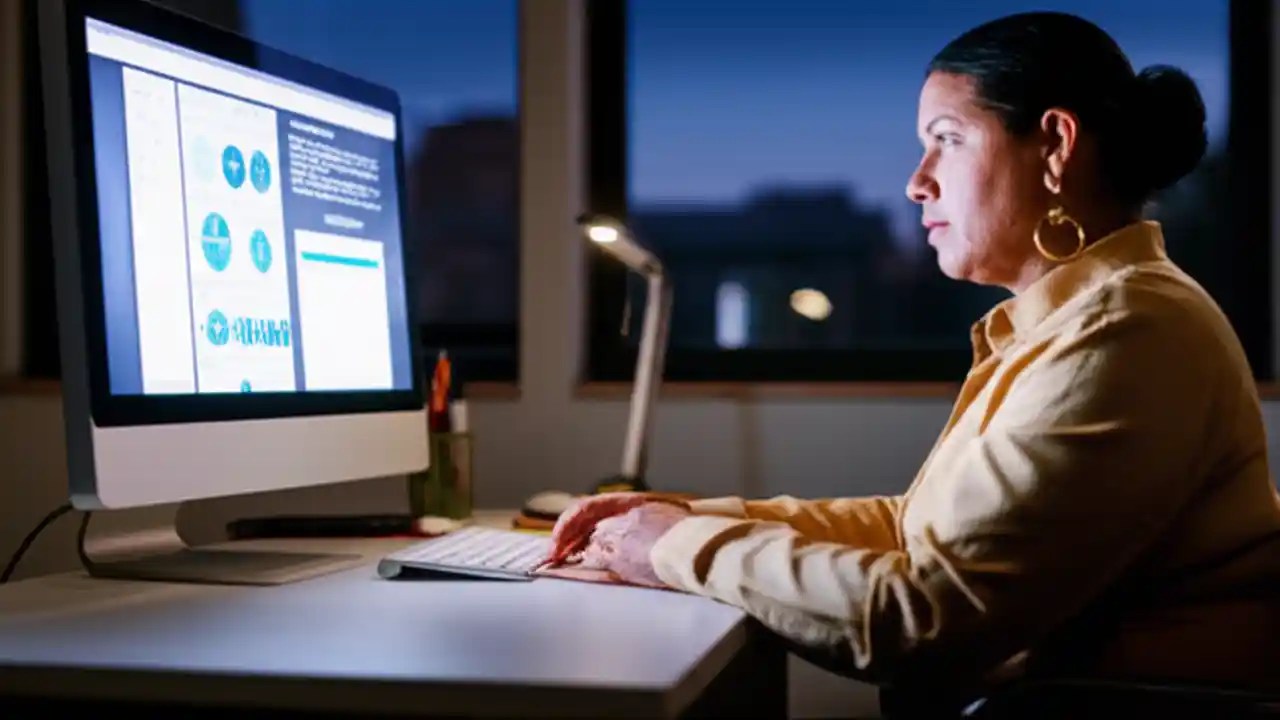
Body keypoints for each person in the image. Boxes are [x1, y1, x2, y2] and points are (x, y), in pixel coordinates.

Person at [548, 9, 1280, 709]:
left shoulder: (1126, 331)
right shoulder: (1075, 320)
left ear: (1055, 146)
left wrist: (681, 547)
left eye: (947, 139)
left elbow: (925, 615)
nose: (916, 180)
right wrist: (680, 516)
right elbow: (916, 530)